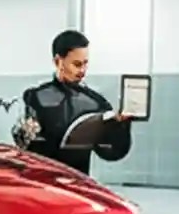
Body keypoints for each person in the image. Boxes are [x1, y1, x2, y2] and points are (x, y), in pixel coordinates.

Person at [11, 29, 132, 174]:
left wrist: (122, 125)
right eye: (77, 64)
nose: (83, 70)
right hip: (42, 183)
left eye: (85, 63)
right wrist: (25, 134)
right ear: (58, 61)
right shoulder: (37, 97)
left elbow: (111, 153)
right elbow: (26, 149)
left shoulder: (96, 103)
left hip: (76, 186)